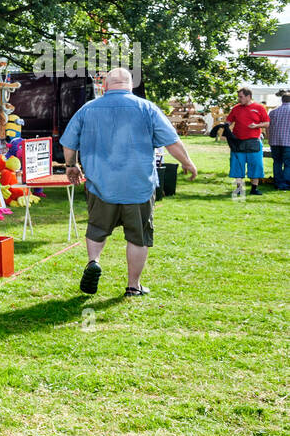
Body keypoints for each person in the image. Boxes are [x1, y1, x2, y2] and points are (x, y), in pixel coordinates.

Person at [60, 67, 197, 297]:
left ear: (105, 85)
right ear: (130, 86)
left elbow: (69, 143)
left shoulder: (88, 109)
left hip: (100, 185)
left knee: (96, 229)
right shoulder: (147, 108)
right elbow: (172, 141)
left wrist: (71, 165)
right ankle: (133, 286)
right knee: (138, 236)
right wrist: (187, 162)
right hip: (138, 186)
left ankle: (93, 262)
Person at [225, 88, 270, 196]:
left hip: (253, 141)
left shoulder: (259, 108)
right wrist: (225, 126)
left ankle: (254, 189)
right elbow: (229, 121)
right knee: (237, 165)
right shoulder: (236, 108)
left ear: (248, 96)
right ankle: (239, 188)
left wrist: (257, 125)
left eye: (241, 97)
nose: (239, 99)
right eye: (239, 97)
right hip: (238, 142)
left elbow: (267, 123)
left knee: (255, 165)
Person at [268, 91, 290, 190]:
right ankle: (285, 183)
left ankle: (278, 182)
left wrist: (269, 138)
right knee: (288, 163)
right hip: (288, 141)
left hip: (275, 141)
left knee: (277, 162)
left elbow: (268, 127)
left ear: (282, 100)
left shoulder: (273, 112)